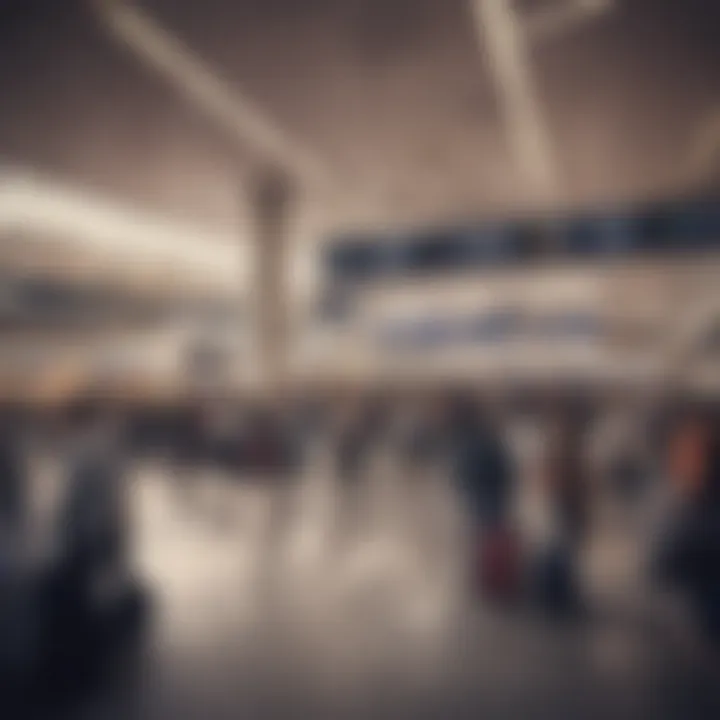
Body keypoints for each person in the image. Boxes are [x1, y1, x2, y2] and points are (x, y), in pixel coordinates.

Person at [653, 404, 720, 644]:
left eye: (704, 457)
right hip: (683, 618)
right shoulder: (665, 507)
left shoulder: (709, 505)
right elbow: (659, 566)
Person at [450, 396, 517, 601]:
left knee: (483, 534)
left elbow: (462, 472)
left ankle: (488, 575)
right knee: (487, 534)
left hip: (481, 495)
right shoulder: (488, 442)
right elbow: (505, 472)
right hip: (489, 495)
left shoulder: (473, 442)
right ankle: (491, 575)